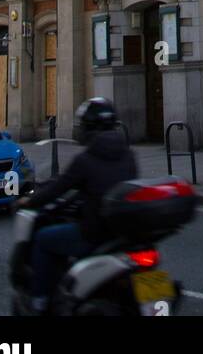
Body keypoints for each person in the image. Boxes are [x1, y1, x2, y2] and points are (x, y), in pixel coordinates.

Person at [22, 97, 137, 314]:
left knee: (43, 239)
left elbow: (58, 187)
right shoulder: (129, 155)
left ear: (87, 127)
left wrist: (28, 200)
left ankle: (39, 300)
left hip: (94, 233)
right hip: (123, 233)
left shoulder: (86, 159)